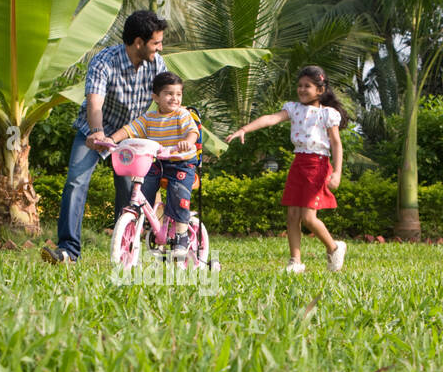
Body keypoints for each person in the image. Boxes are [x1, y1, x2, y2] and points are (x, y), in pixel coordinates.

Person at [41, 9, 167, 264]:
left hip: (129, 136)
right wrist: (97, 132)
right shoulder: (105, 61)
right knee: (76, 182)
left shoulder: (157, 65)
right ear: (139, 42)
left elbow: (166, 103)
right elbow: (95, 103)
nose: (160, 48)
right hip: (95, 133)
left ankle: (125, 252)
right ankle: (68, 251)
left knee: (129, 191)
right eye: (156, 43)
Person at [226, 65, 349, 273]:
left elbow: (336, 143)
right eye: (299, 85)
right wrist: (244, 129)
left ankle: (335, 248)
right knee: (292, 215)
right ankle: (295, 261)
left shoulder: (328, 114)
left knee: (309, 217)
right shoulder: (293, 108)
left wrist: (337, 172)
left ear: (320, 90)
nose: (301, 89)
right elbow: (271, 119)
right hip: (298, 163)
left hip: (318, 165)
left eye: (307, 86)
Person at [106, 71, 200, 264]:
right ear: (155, 97)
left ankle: (182, 235)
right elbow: (129, 129)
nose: (174, 98)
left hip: (181, 162)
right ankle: (140, 222)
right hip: (157, 162)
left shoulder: (182, 115)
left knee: (179, 193)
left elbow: (192, 132)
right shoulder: (149, 118)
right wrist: (111, 140)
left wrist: (187, 143)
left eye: (178, 94)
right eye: (168, 93)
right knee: (142, 186)